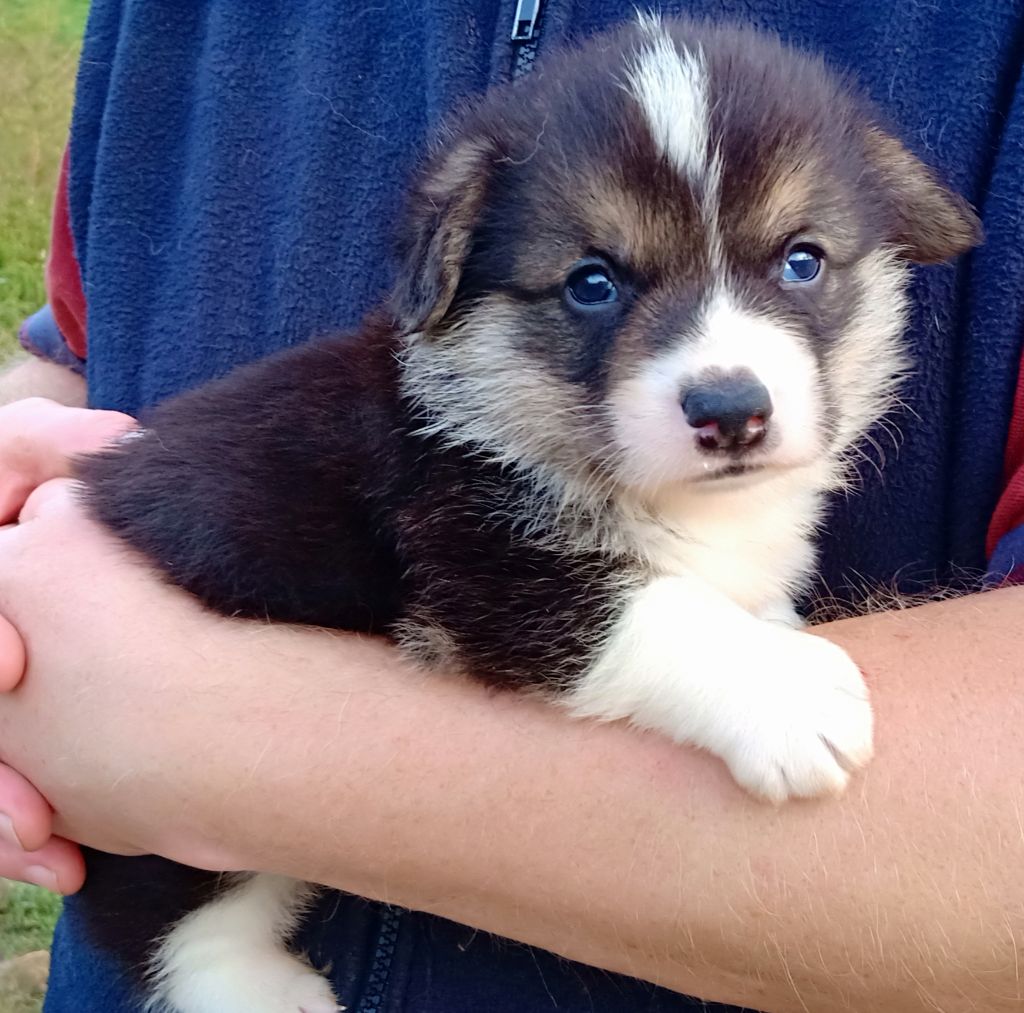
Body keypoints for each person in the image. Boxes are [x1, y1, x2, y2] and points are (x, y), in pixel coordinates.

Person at [1, 1, 1023, 1010]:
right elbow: (525, 614)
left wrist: (189, 724)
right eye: (594, 285)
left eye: (800, 263)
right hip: (173, 623)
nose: (722, 372)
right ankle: (202, 951)